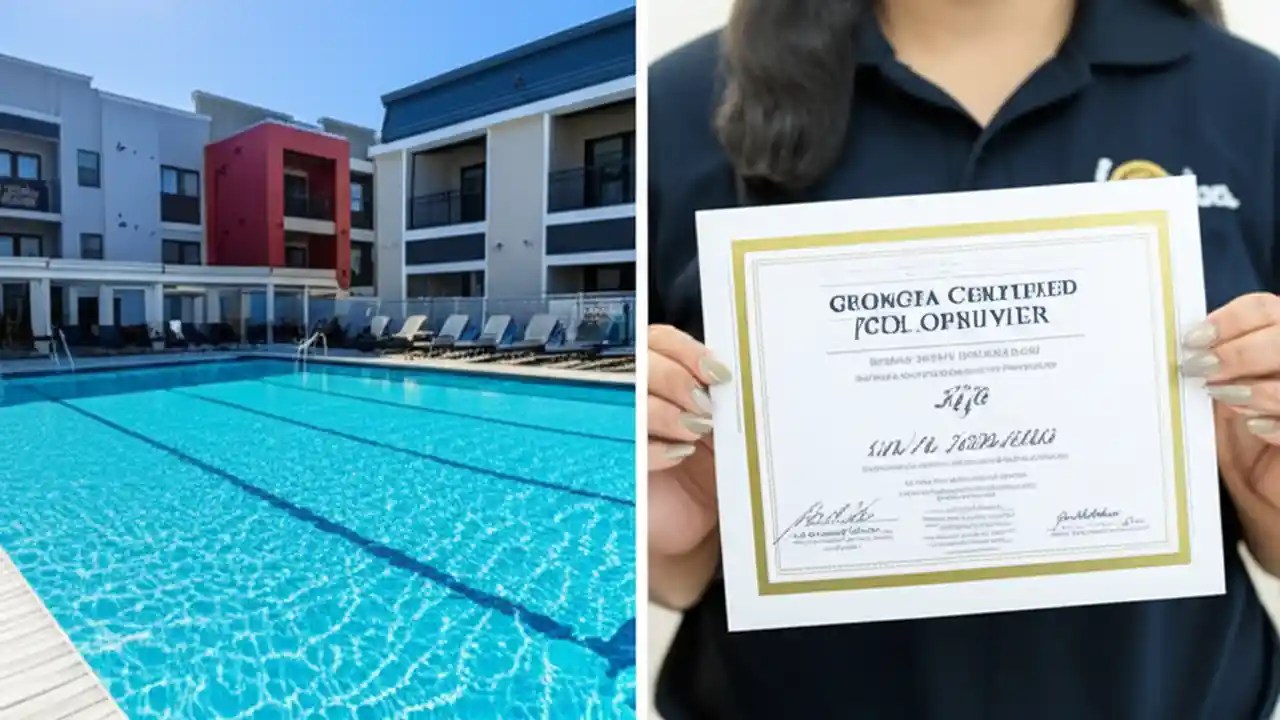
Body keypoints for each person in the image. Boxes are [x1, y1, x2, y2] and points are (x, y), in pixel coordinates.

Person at [647, 0, 1280, 718]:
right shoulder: (677, 106)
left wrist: (1267, 488)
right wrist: (674, 512)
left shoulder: (1253, 99)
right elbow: (677, 569)